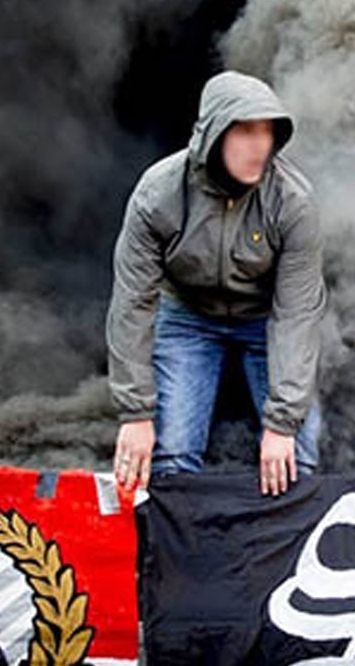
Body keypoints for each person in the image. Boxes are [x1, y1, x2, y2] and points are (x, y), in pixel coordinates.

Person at [106, 71, 325, 497]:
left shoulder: (293, 202)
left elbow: (298, 314)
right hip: (186, 315)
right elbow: (132, 303)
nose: (258, 145)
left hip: (266, 321)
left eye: (267, 132)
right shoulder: (157, 195)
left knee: (298, 456)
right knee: (171, 459)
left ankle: (282, 557)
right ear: (213, 133)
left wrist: (282, 424)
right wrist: (134, 413)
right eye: (244, 131)